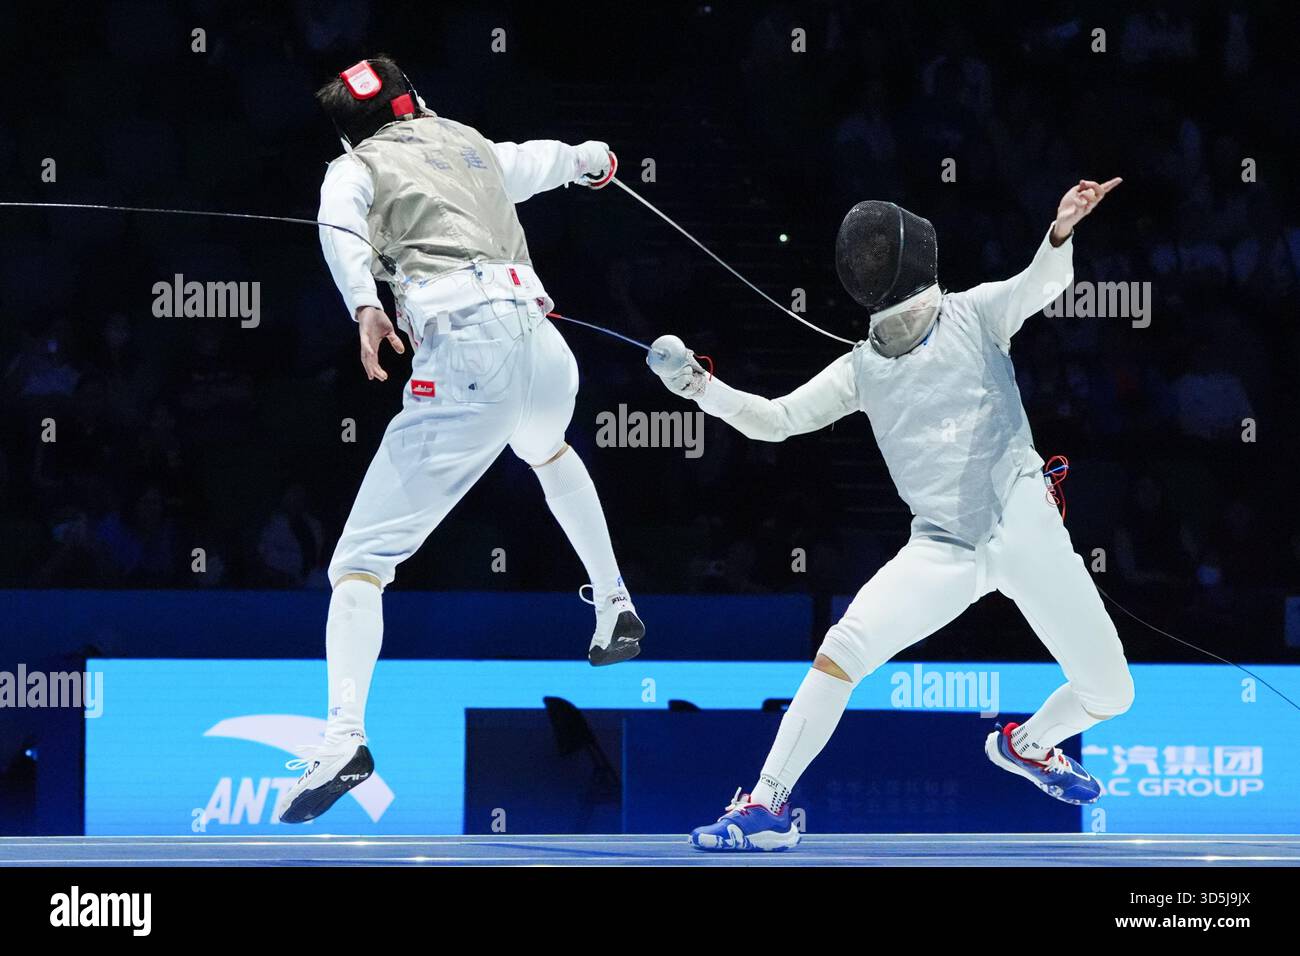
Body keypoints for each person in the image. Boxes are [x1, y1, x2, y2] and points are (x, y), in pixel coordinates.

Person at [649, 179, 1132, 851]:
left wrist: (1060, 231)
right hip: (943, 549)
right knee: (840, 652)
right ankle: (766, 806)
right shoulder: (861, 371)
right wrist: (701, 388)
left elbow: (1039, 283)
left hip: (1026, 528)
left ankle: (1029, 744)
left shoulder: (976, 313)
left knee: (1111, 695)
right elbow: (775, 420)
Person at [277, 56, 644, 825]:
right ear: (415, 102)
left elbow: (338, 222)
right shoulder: (470, 144)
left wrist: (364, 308)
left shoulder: (356, 166)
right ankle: (613, 603)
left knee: (359, 563)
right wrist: (595, 162)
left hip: (469, 347)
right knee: (550, 452)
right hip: (546, 349)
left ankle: (344, 738)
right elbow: (545, 160)